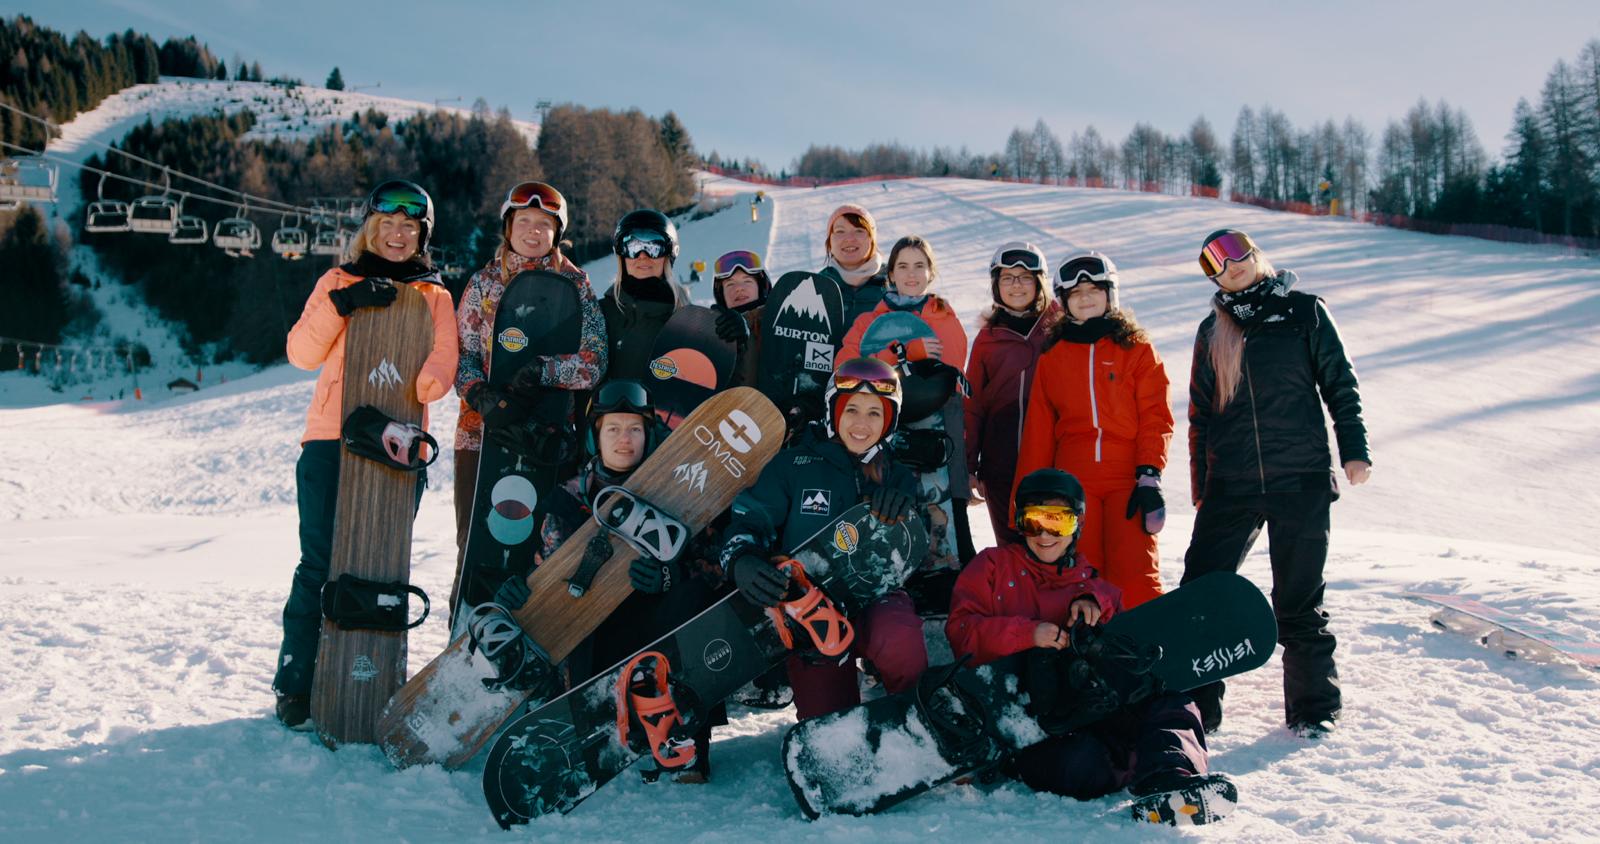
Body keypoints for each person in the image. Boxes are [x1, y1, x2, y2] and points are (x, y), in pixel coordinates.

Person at [272, 179, 460, 729]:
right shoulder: (336, 280)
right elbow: (301, 353)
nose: (398, 235)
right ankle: (298, 682)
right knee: (320, 563)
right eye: (388, 225)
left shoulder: (434, 296)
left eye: (410, 226)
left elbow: (442, 366)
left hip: (396, 447)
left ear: (421, 235)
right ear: (370, 228)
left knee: (381, 561)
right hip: (331, 440)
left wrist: (424, 380)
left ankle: (369, 676)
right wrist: (344, 304)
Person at [946, 468, 1234, 824]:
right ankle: (1140, 766)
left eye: (1060, 521)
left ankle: (1171, 781)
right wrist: (1027, 634)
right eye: (1035, 521)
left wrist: (1096, 602)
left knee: (1172, 702)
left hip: (1090, 706)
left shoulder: (1088, 579)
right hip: (1032, 724)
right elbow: (961, 631)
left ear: (1076, 525)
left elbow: (1122, 631)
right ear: (1020, 523)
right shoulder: (992, 566)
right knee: (1081, 765)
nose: (1046, 534)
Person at [1182, 229, 1371, 738]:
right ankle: (1199, 708)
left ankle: (1313, 712)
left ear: (1255, 254)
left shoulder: (1305, 312)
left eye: (1237, 252)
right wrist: (1203, 484)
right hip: (1232, 484)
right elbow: (1201, 413)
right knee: (1203, 591)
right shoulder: (1213, 330)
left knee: (1299, 599)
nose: (1230, 265)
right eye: (1215, 263)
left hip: (1300, 479)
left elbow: (1340, 382)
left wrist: (1354, 449)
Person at [502, 379, 725, 782]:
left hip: (659, 638)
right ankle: (572, 727)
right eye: (614, 429)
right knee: (574, 620)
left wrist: (670, 578)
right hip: (596, 644)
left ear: (648, 435)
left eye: (635, 429)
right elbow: (548, 580)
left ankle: (685, 736)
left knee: (691, 598)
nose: (625, 440)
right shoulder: (568, 502)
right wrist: (521, 594)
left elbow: (713, 571)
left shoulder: (679, 493)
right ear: (595, 437)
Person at [720, 357, 927, 719]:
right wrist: (742, 561)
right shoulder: (792, 465)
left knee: (899, 636)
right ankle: (836, 742)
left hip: (877, 600)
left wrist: (906, 516)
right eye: (852, 410)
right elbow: (750, 518)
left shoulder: (895, 474)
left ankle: (919, 719)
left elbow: (916, 548)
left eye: (875, 414)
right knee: (826, 716)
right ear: (834, 410)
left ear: (890, 420)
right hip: (810, 610)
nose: (862, 424)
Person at [451, 181, 606, 619]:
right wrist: (477, 392)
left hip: (547, 436)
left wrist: (543, 371)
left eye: (545, 224)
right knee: (477, 540)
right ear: (508, 226)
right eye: (525, 222)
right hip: (482, 436)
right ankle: (465, 632)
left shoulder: (575, 284)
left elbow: (594, 362)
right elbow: (461, 356)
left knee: (539, 544)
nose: (534, 232)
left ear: (557, 232)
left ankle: (533, 639)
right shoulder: (484, 283)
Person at [1014, 252, 1173, 609]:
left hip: (1126, 477)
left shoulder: (1137, 350)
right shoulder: (1054, 357)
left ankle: (1148, 647)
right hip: (1074, 478)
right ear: (1064, 301)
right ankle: (1087, 652)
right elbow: (1040, 428)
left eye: (1094, 289)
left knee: (1135, 569)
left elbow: (1155, 415)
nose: (1086, 297)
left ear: (1110, 295)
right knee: (1082, 570)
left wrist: (1149, 476)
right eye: (1076, 292)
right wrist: (1027, 493)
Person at [839, 234, 973, 577]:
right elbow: (846, 367)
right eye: (903, 266)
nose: (911, 274)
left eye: (919, 265)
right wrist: (904, 353)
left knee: (940, 517)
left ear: (931, 272)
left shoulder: (944, 317)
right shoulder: (869, 322)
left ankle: (942, 576)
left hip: (936, 437)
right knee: (891, 506)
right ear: (891, 274)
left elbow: (949, 372)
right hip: (883, 433)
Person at [964, 242, 1062, 545]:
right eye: (1007, 277)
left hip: (1054, 457)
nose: (1016, 285)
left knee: (1052, 540)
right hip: (1000, 461)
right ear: (996, 285)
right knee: (1012, 546)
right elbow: (973, 405)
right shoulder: (988, 339)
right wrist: (967, 467)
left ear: (1039, 283)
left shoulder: (1060, 329)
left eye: (1025, 277)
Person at [597, 209, 689, 383]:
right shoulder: (600, 313)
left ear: (669, 254)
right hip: (607, 409)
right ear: (621, 254)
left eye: (654, 247)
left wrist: (736, 336)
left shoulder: (686, 320)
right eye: (633, 247)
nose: (643, 256)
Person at [816, 203, 888, 333]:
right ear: (829, 242)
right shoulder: (817, 286)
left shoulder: (895, 282)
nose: (849, 238)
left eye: (859, 231)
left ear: (872, 239)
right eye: (840, 231)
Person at [710, 249, 770, 388]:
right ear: (721, 295)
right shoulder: (712, 331)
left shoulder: (777, 322)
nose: (739, 288)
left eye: (747, 281)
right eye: (730, 284)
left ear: (761, 287)